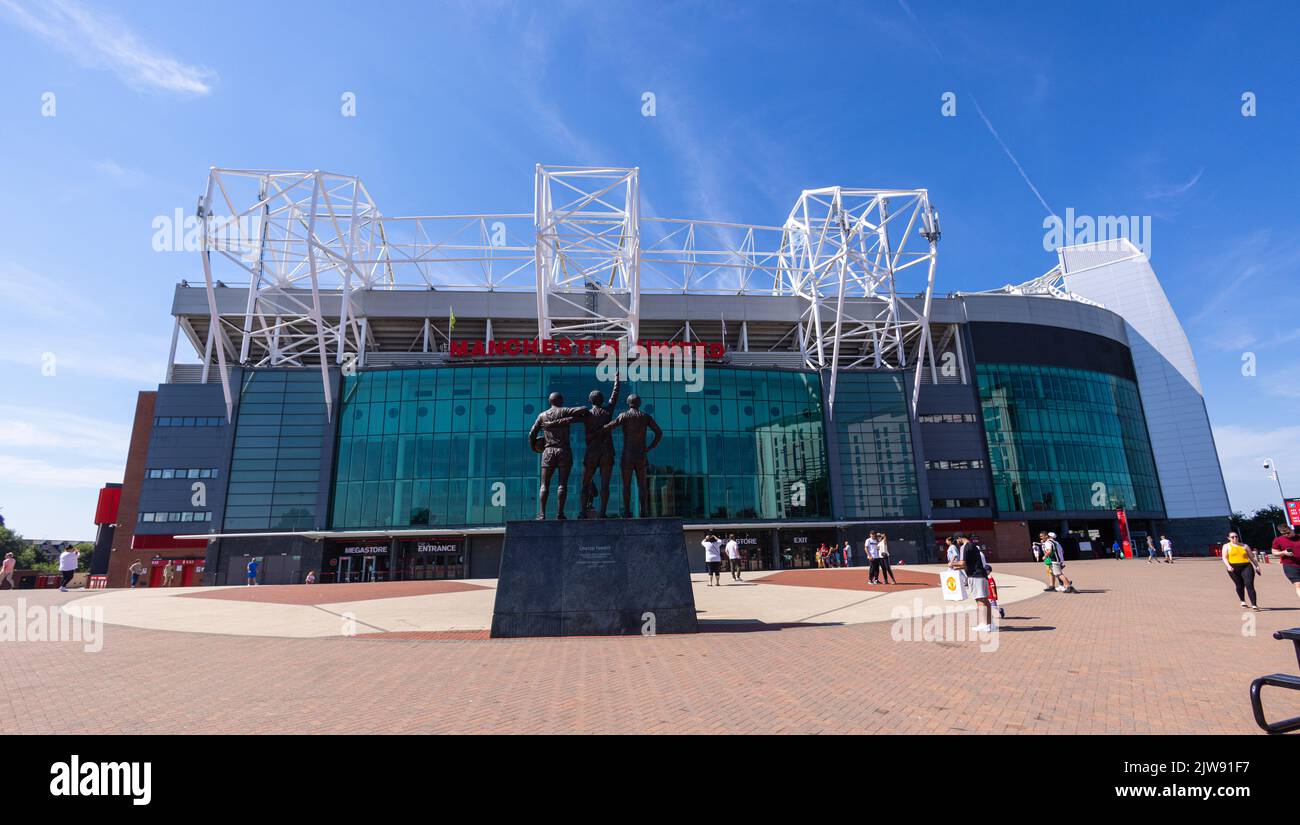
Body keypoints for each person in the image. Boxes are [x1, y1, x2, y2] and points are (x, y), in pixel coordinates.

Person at [957, 535, 996, 632]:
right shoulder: (974, 546)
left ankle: (985, 624)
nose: (957, 543)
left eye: (957, 540)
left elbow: (962, 563)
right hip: (982, 575)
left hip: (975, 576)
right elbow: (971, 563)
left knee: (980, 600)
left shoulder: (964, 547)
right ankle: (989, 624)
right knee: (985, 600)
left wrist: (952, 564)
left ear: (959, 538)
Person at [1222, 531, 1261, 611]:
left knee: (1249, 584)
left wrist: (1257, 566)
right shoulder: (1226, 546)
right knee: (1239, 585)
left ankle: (1254, 605)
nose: (1235, 538)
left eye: (1236, 536)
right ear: (1228, 538)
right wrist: (1228, 566)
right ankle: (1242, 600)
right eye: (1232, 537)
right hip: (1233, 567)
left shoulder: (1244, 546)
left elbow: (1251, 557)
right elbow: (1224, 557)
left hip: (1246, 566)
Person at [1270, 523, 1300, 603]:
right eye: (1284, 534)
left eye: (1288, 532)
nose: (1286, 535)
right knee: (1298, 584)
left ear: (1291, 529)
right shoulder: (1278, 540)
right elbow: (1274, 552)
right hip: (1290, 566)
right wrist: (1284, 552)